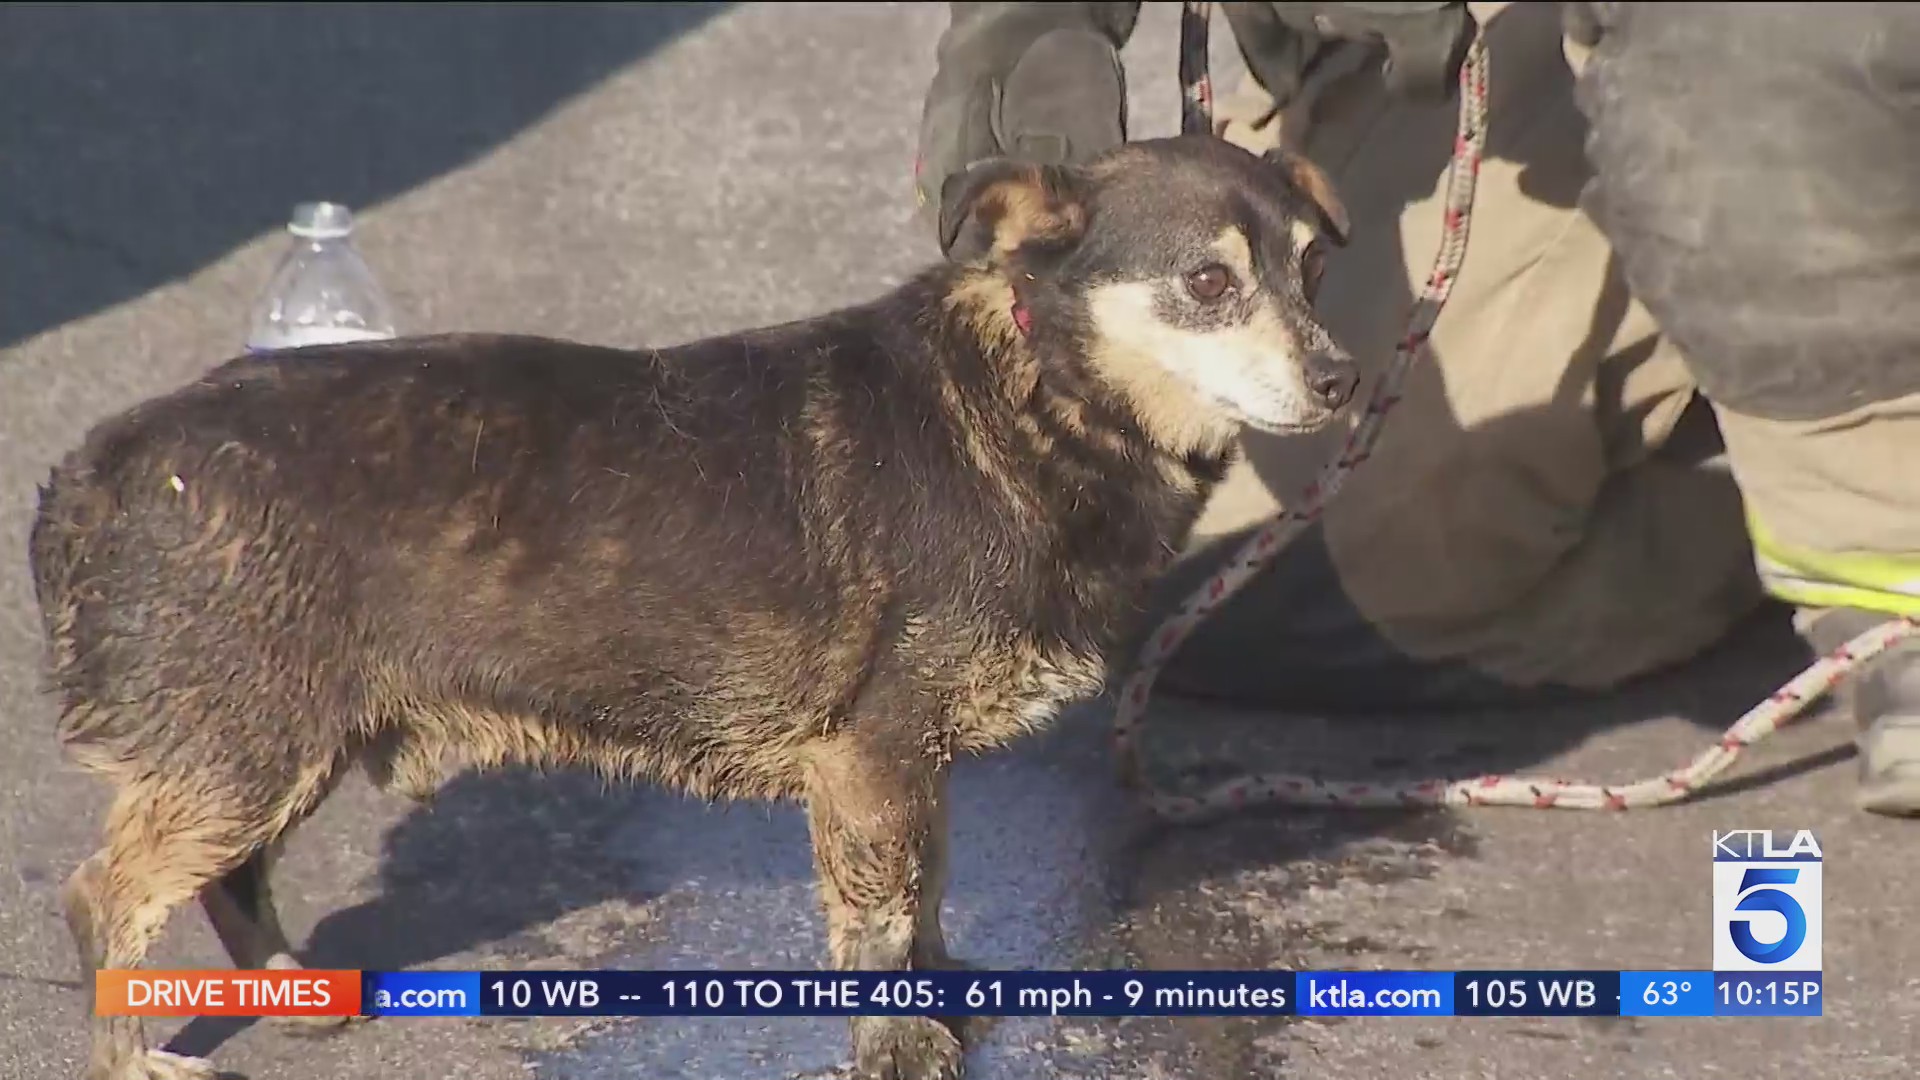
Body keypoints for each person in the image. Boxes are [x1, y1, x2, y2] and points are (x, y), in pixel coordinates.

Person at [912, 1, 1920, 816]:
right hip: (1479, 52)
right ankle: (1734, 473)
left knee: (1775, 55)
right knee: (1242, 578)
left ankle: (1886, 580)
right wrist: (1030, 20)